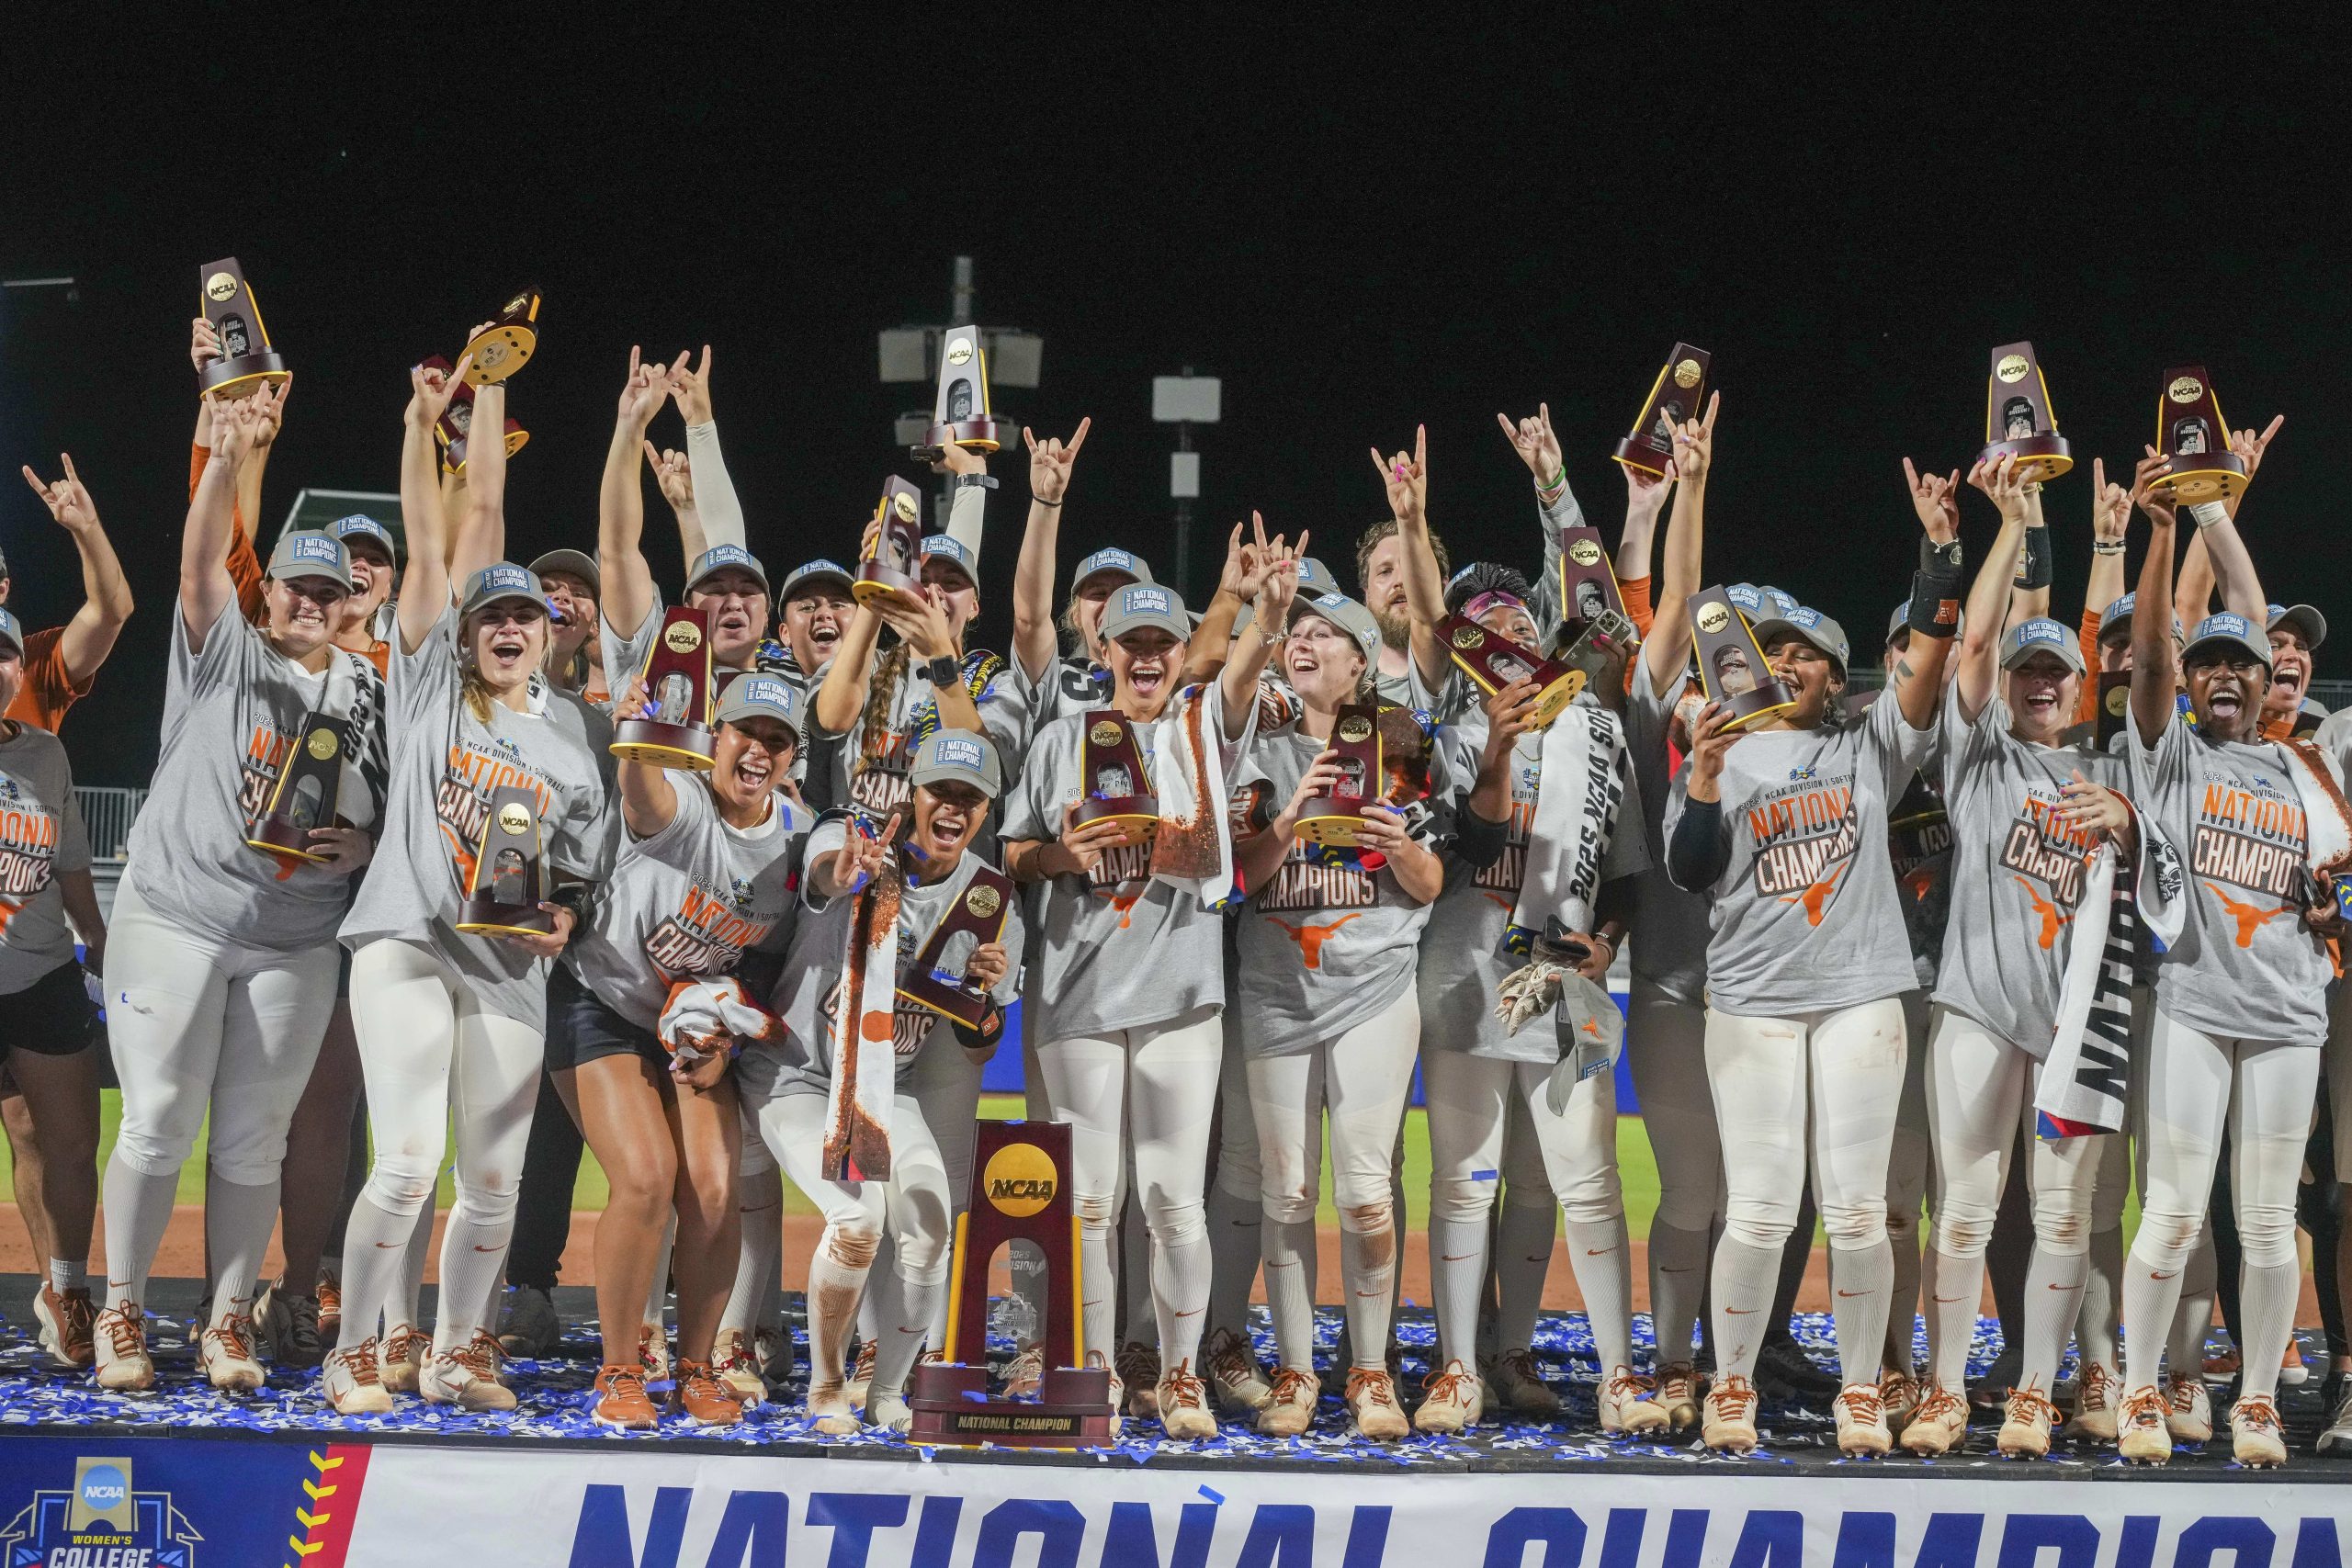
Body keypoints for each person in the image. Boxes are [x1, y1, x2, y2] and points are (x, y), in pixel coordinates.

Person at [321, 363, 613, 1415]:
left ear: (549, 633)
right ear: (465, 628)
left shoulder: (572, 733)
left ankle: (455, 1352)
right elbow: (456, 524)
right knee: (406, 1164)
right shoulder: (428, 685)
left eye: (526, 615)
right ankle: (356, 1349)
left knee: (495, 1183)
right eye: (491, 612)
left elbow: (578, 863)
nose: (507, 624)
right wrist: (439, 415)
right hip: (405, 940)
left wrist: (565, 911)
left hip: (506, 967)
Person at [1665, 417, 1955, 1456]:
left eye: (1808, 655)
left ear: (1838, 677)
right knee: (1758, 1208)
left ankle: (1861, 1389)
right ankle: (1733, 1384)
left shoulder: (1871, 745)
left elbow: (1929, 664)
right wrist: (1703, 781)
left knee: (1859, 1208)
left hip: (1861, 992)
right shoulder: (1721, 747)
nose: (1787, 663)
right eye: (1772, 649)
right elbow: (1690, 870)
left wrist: (1938, 558)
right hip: (1750, 1000)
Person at [96, 385, 381, 1393]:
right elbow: (199, 558)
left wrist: (364, 845)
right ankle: (122, 1310)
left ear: (349, 602)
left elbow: (400, 810)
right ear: (267, 592)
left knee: (256, 1142)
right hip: (176, 913)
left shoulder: (370, 688)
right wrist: (226, 453)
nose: (309, 601)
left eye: (327, 590)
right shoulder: (224, 644)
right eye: (295, 585)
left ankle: (226, 1321)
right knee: (158, 1117)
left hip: (295, 937)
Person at [1386, 452, 1658, 1435]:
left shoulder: (1598, 726)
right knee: (1463, 1179)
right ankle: (1457, 1366)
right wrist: (1497, 747)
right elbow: (1473, 840)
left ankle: (1601, 1370)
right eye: (1482, 620)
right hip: (1465, 976)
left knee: (1579, 1180)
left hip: (1569, 984)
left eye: (1516, 616)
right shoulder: (1449, 725)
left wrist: (1608, 943)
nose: (1503, 627)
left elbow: (1624, 872)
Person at [1003, 532, 1291, 1438]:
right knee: (1090, 1202)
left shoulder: (1200, 736)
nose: (1148, 657)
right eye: (1132, 643)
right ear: (1104, 651)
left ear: (1179, 653)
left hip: (1178, 991)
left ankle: (1177, 1377)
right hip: (1078, 995)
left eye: (1163, 643)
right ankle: (1089, 1372)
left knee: (1171, 1200)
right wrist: (1060, 854)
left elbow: (1237, 681)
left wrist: (1266, 616)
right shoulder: (1061, 738)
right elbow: (1014, 852)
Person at [1893, 455, 2134, 1459]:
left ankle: (2036, 1390)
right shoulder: (1978, 754)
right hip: (1979, 1008)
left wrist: (2127, 817)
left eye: (2056, 673)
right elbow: (1980, 636)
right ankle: (1948, 1389)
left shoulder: (2112, 770)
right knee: (1964, 1212)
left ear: (2079, 689)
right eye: (2027, 672)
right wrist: (2009, 524)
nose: (2039, 683)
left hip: (2077, 1026)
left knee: (2065, 1217)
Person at [2115, 446, 2332, 1470]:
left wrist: (2335, 904)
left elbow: (2338, 882)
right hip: (2196, 1006)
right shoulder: (2171, 753)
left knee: (2267, 1218)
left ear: (2266, 679)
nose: (2225, 676)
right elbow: (2151, 653)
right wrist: (2170, 527)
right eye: (2208, 665)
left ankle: (2255, 1400)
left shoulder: (2302, 767)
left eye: (2242, 663)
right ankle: (2141, 1387)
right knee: (2170, 1210)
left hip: (2289, 1014)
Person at [1233, 475, 1442, 1441]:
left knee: (1363, 1193)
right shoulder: (1258, 743)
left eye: (1327, 631)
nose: (1306, 641)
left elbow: (1429, 883)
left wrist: (1394, 841)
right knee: (1285, 1192)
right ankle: (1294, 1370)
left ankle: (1369, 1371)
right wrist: (1288, 818)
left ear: (1362, 661)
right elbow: (1241, 879)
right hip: (1275, 992)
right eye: (1298, 631)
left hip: (1374, 989)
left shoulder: (1402, 742)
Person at [742, 729, 1020, 1434]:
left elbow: (981, 1042)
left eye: (969, 797)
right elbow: (822, 872)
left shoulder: (990, 899)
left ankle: (889, 1389)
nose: (952, 806)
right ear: (912, 794)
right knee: (860, 1219)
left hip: (885, 1089)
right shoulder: (858, 835)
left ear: (985, 810)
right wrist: (844, 871)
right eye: (940, 791)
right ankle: (827, 1387)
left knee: (928, 1223)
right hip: (799, 1076)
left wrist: (982, 998)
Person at [554, 675, 811, 1427]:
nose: (758, 750)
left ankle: (697, 1366)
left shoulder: (795, 839)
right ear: (715, 736)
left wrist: (728, 1040)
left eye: (776, 740)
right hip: (602, 1001)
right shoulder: (687, 802)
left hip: (695, 1027)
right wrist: (636, 738)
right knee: (644, 1178)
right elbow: (642, 795)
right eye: (744, 732)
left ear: (792, 755)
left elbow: (769, 964)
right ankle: (619, 1368)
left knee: (712, 1186)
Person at [0, 605, 108, 1372]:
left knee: (68, 1141)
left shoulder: (45, 753)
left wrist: (98, 936)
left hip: (41, 973)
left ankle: (66, 1291)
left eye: (3, 655)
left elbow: (69, 862)